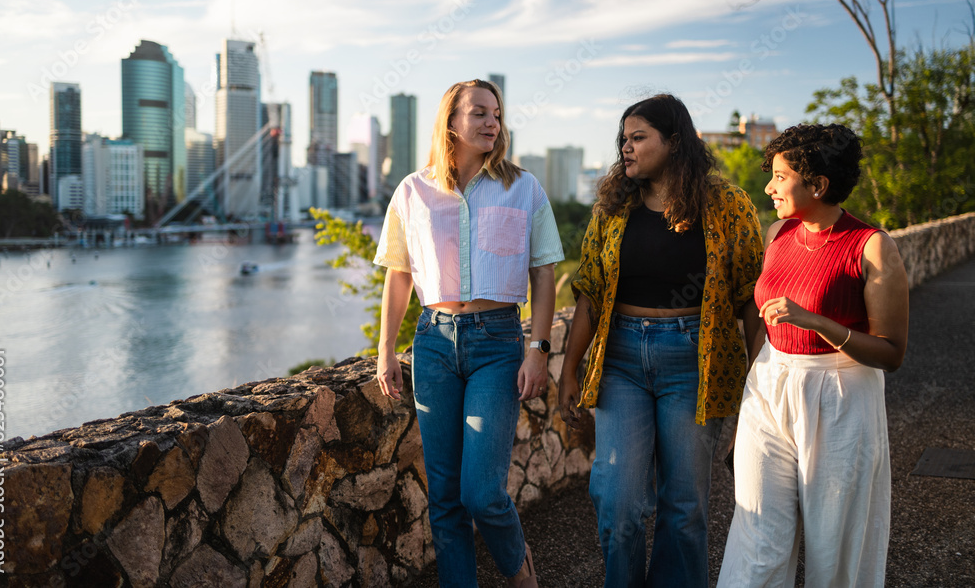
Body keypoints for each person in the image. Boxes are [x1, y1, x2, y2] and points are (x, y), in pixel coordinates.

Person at [557, 93, 764, 586]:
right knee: (618, 498)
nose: (625, 148)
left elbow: (750, 300)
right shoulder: (613, 206)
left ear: (674, 142)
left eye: (638, 138)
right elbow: (589, 290)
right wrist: (569, 369)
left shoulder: (727, 206)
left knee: (685, 507)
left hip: (695, 360)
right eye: (623, 140)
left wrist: (758, 389)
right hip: (622, 360)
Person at [373, 79, 564, 588]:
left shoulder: (524, 187)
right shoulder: (412, 190)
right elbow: (398, 273)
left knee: (482, 492)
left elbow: (544, 273)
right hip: (433, 342)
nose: (491, 123)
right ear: (450, 122)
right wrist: (385, 348)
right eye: (478, 112)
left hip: (499, 345)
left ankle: (520, 570)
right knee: (446, 497)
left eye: (496, 114)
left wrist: (538, 348)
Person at [717, 123, 909, 587]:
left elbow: (891, 353)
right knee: (757, 539)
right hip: (769, 387)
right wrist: (746, 416)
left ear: (818, 185)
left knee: (835, 549)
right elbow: (766, 327)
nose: (769, 187)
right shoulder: (777, 234)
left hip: (842, 397)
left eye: (780, 177)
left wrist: (819, 322)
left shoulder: (872, 246)